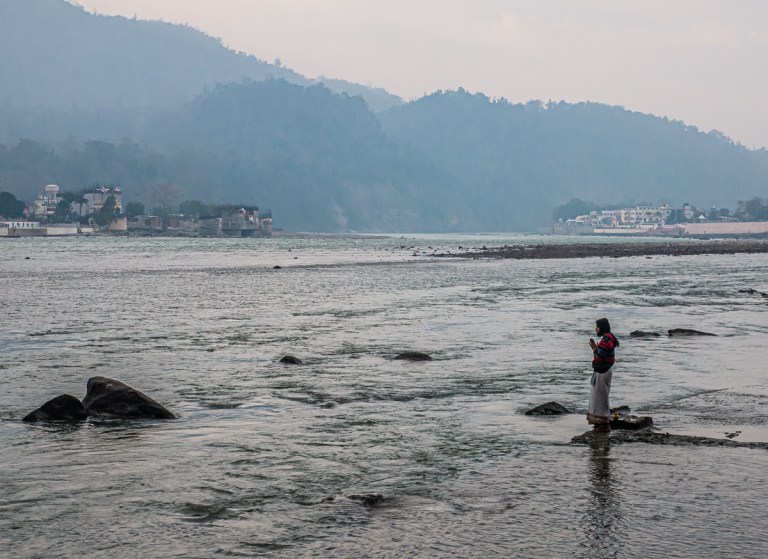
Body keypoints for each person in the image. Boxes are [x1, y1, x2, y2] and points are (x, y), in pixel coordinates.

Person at [587, 317, 619, 432]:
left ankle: (603, 423)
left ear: (602, 328)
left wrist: (594, 349)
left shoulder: (606, 341)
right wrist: (596, 349)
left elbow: (599, 359)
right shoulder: (608, 338)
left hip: (602, 373)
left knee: (600, 399)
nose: (596, 329)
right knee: (599, 398)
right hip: (603, 372)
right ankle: (600, 422)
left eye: (597, 327)